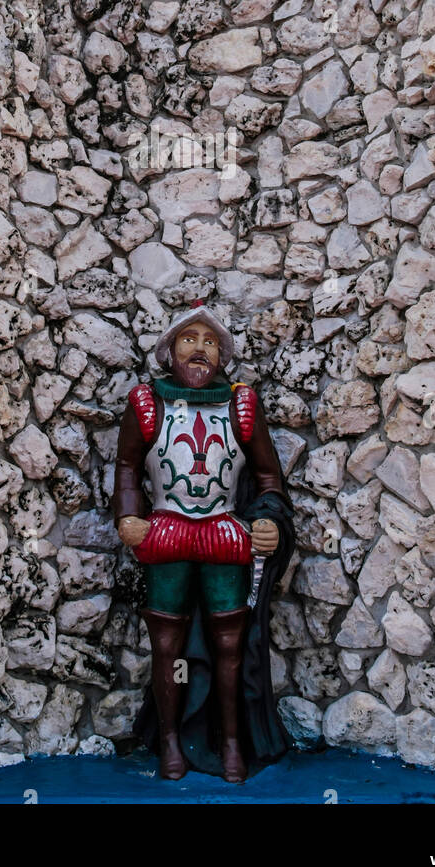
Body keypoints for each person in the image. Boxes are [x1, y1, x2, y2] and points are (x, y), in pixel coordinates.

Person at [112, 300, 295, 783]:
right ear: (169, 352)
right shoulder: (146, 404)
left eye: (210, 341)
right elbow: (129, 467)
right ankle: (170, 740)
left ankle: (232, 740)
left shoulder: (241, 405)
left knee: (230, 643)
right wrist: (128, 515)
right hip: (166, 530)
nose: (200, 349)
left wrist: (269, 519)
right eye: (189, 340)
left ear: (222, 357)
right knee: (167, 642)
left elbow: (268, 477)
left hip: (223, 531)